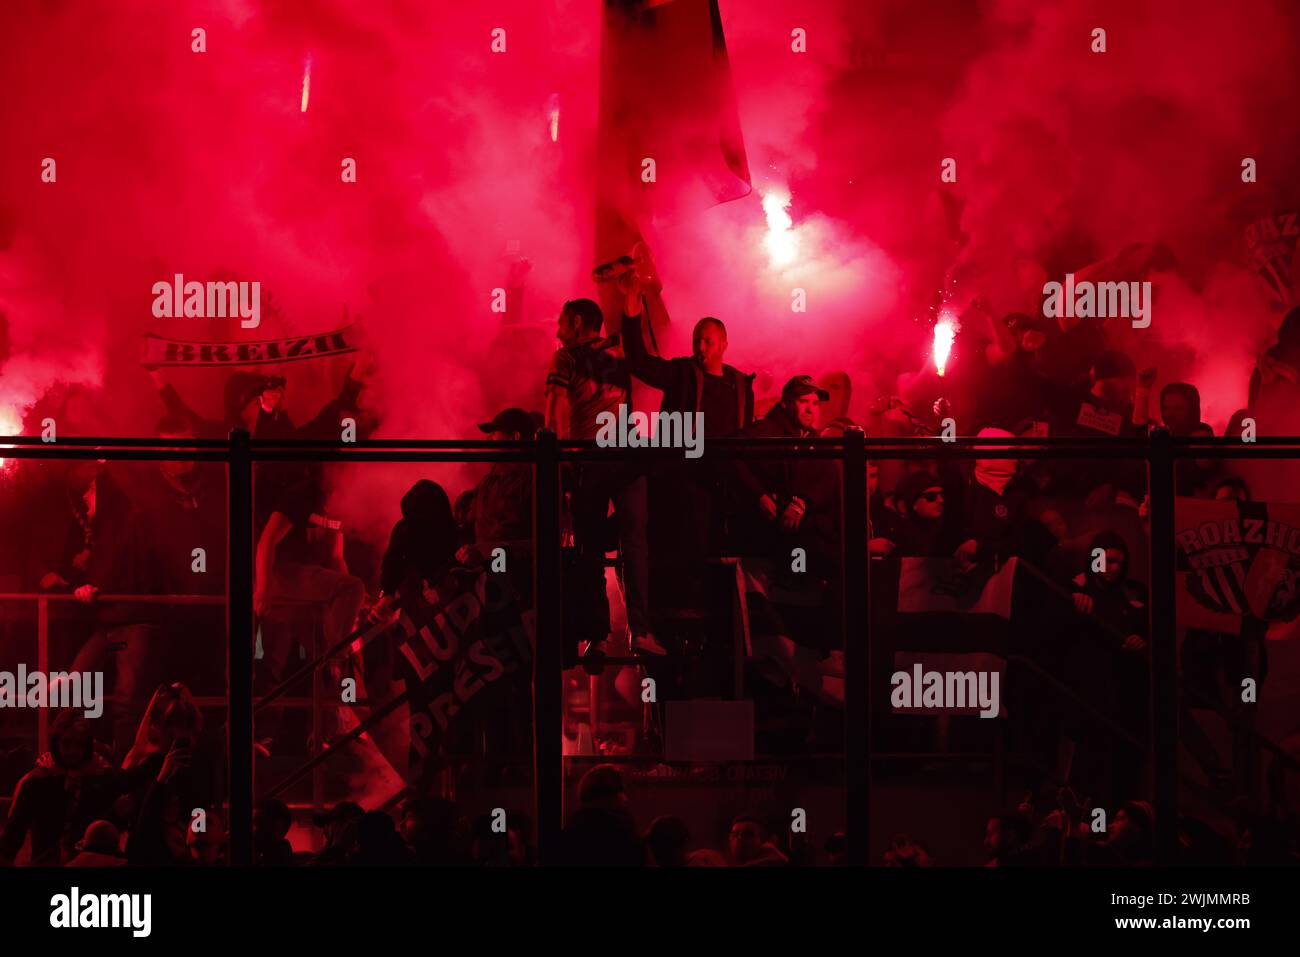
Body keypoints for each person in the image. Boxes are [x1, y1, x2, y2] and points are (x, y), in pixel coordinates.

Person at [544, 298, 659, 655]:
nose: (558, 331)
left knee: (589, 547)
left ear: (577, 322)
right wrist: (633, 299)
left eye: (562, 323)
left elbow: (555, 410)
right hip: (626, 453)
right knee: (636, 541)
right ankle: (641, 629)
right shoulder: (621, 351)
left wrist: (557, 459)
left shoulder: (565, 358)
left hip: (589, 457)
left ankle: (597, 636)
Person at [254, 463, 366, 688]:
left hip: (310, 578)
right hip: (284, 572)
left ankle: (332, 677)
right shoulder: (302, 494)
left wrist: (353, 600)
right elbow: (267, 542)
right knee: (353, 589)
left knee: (351, 590)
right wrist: (263, 588)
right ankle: (335, 661)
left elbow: (336, 557)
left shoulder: (341, 504)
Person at [557, 764, 645, 867]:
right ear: (612, 794)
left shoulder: (575, 823)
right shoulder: (620, 826)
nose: (625, 798)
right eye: (621, 790)